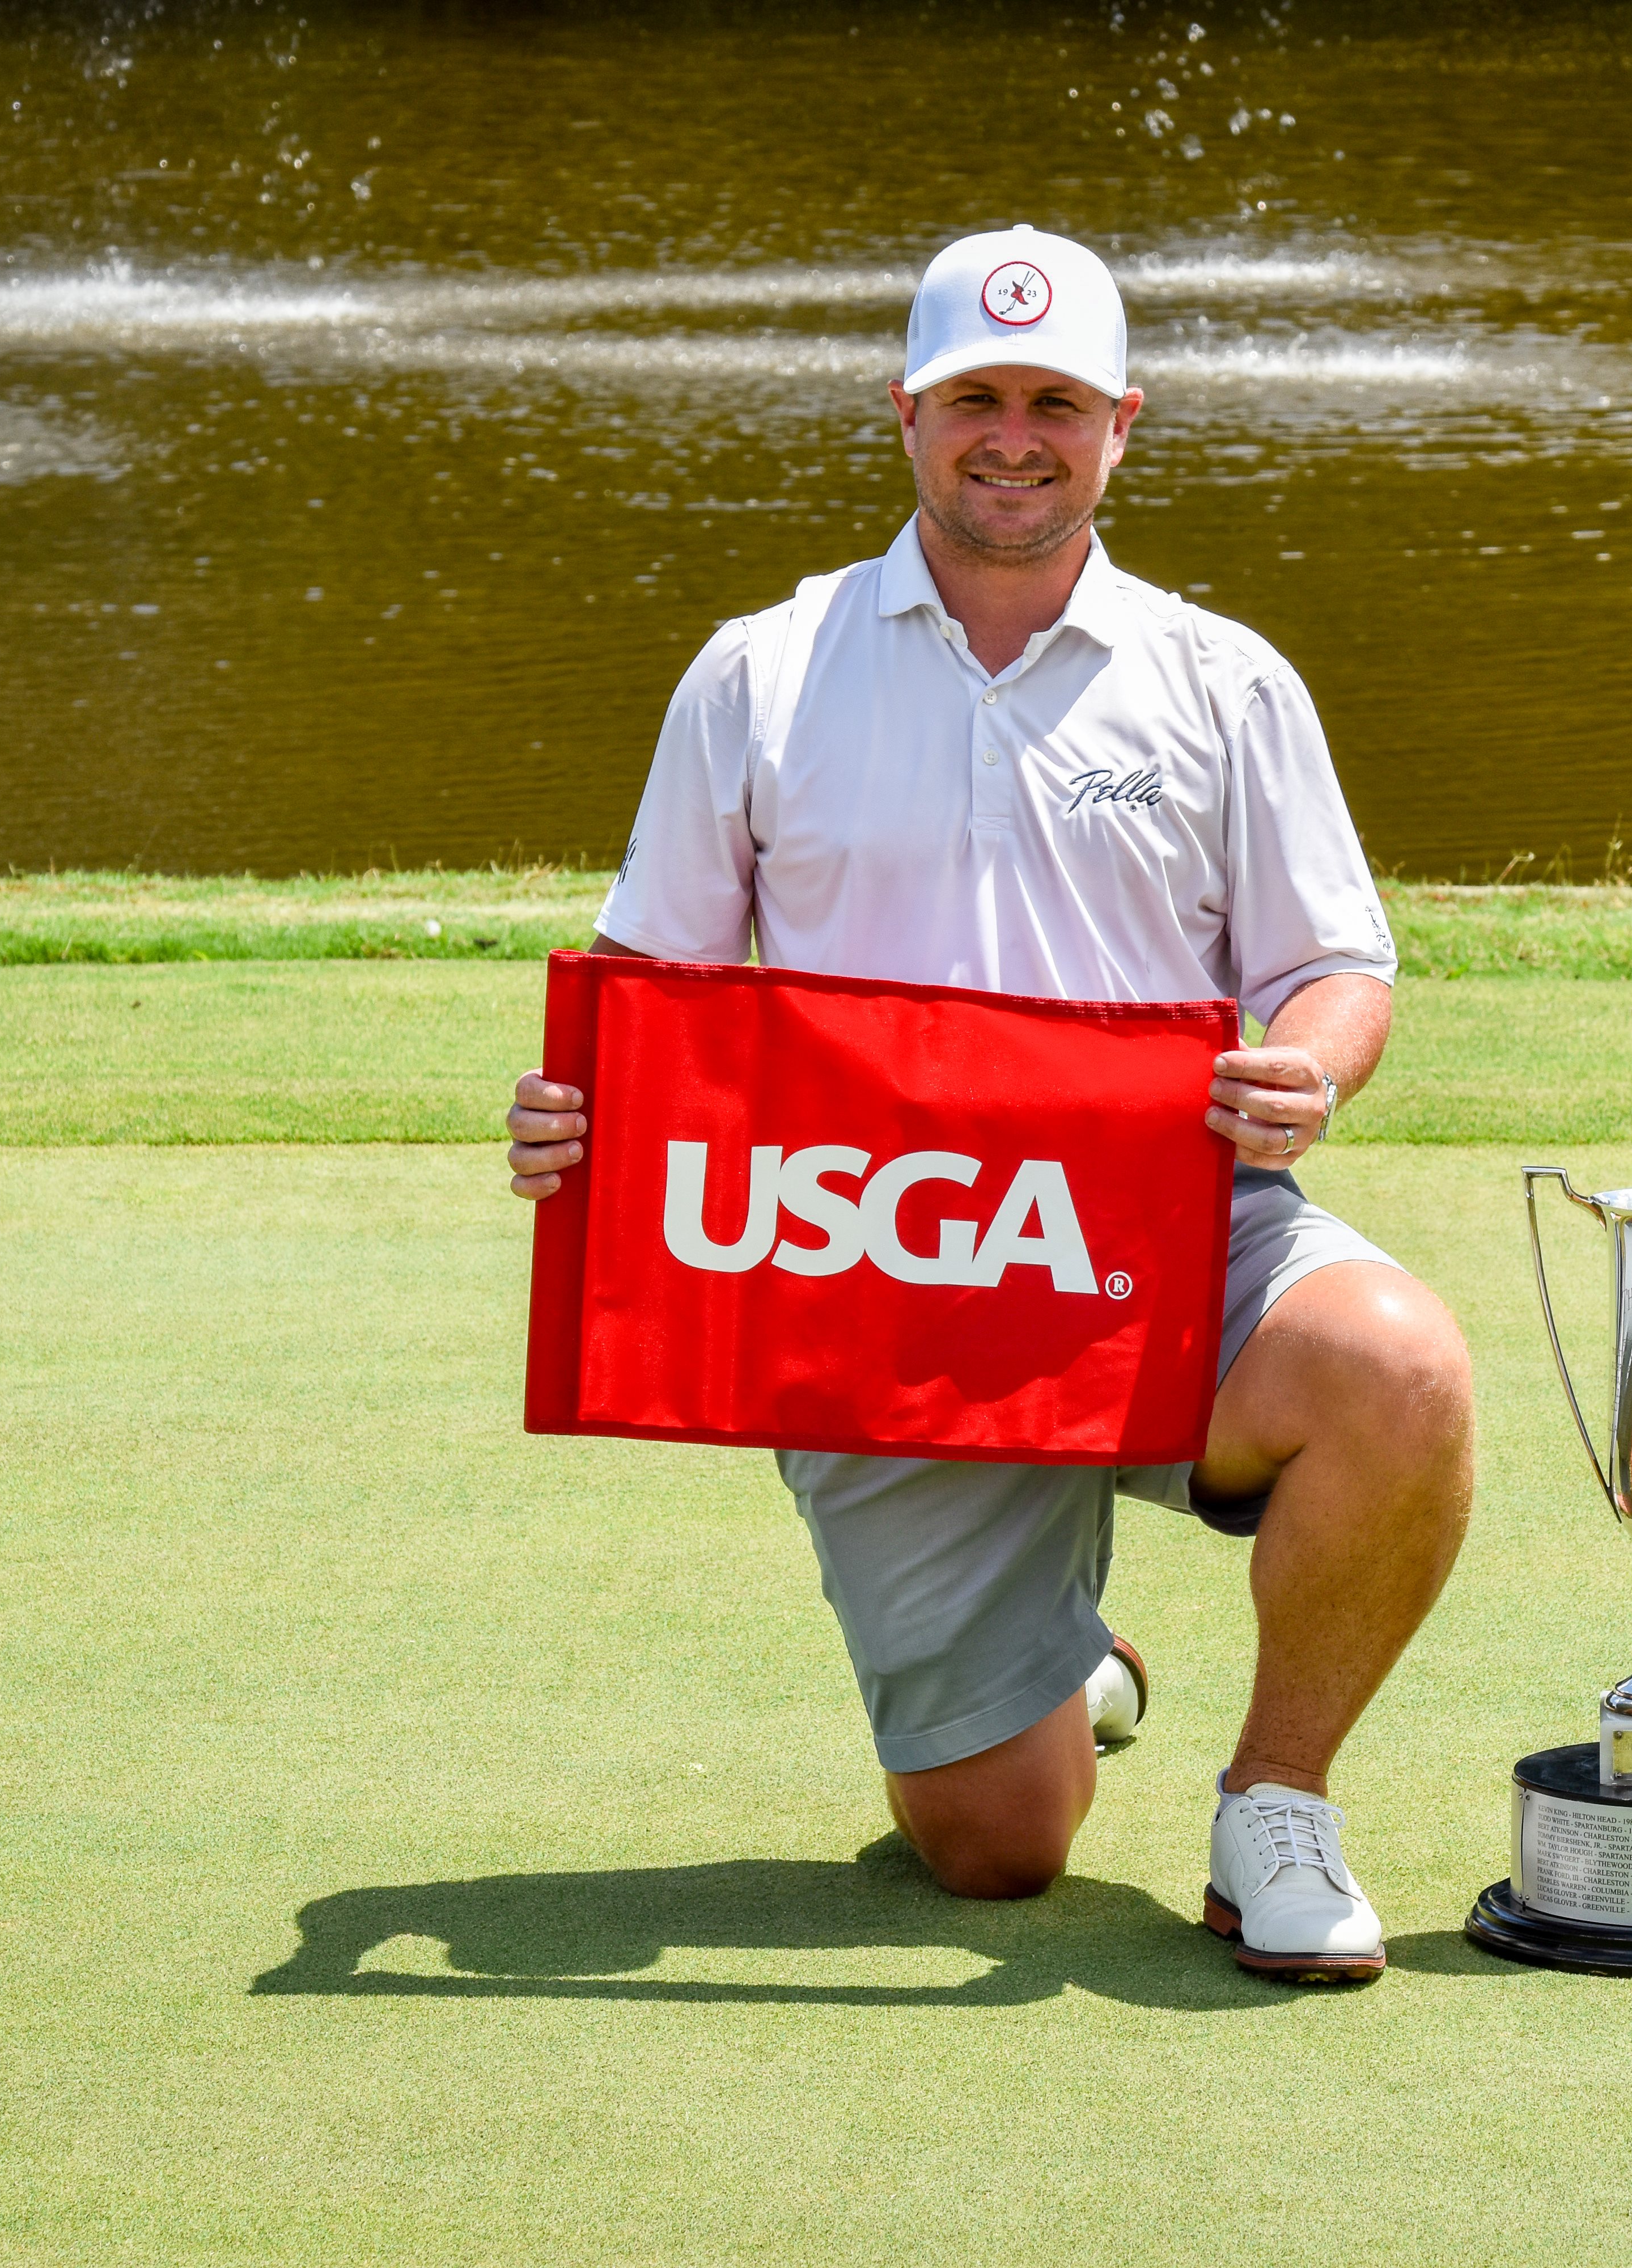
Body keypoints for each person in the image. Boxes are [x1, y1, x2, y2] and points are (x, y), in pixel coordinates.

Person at [503, 226, 1470, 1985]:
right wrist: (586, 1114)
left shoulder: (1224, 678)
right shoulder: (762, 670)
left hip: (1161, 1242)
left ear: (1122, 427)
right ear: (906, 413)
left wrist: (1313, 1065)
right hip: (881, 1281)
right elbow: (655, 992)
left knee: (1399, 1368)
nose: (1013, 438)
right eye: (975, 400)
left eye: (1055, 404)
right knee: (997, 1852)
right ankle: (1067, 1671)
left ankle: (1276, 1802)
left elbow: (1342, 966)